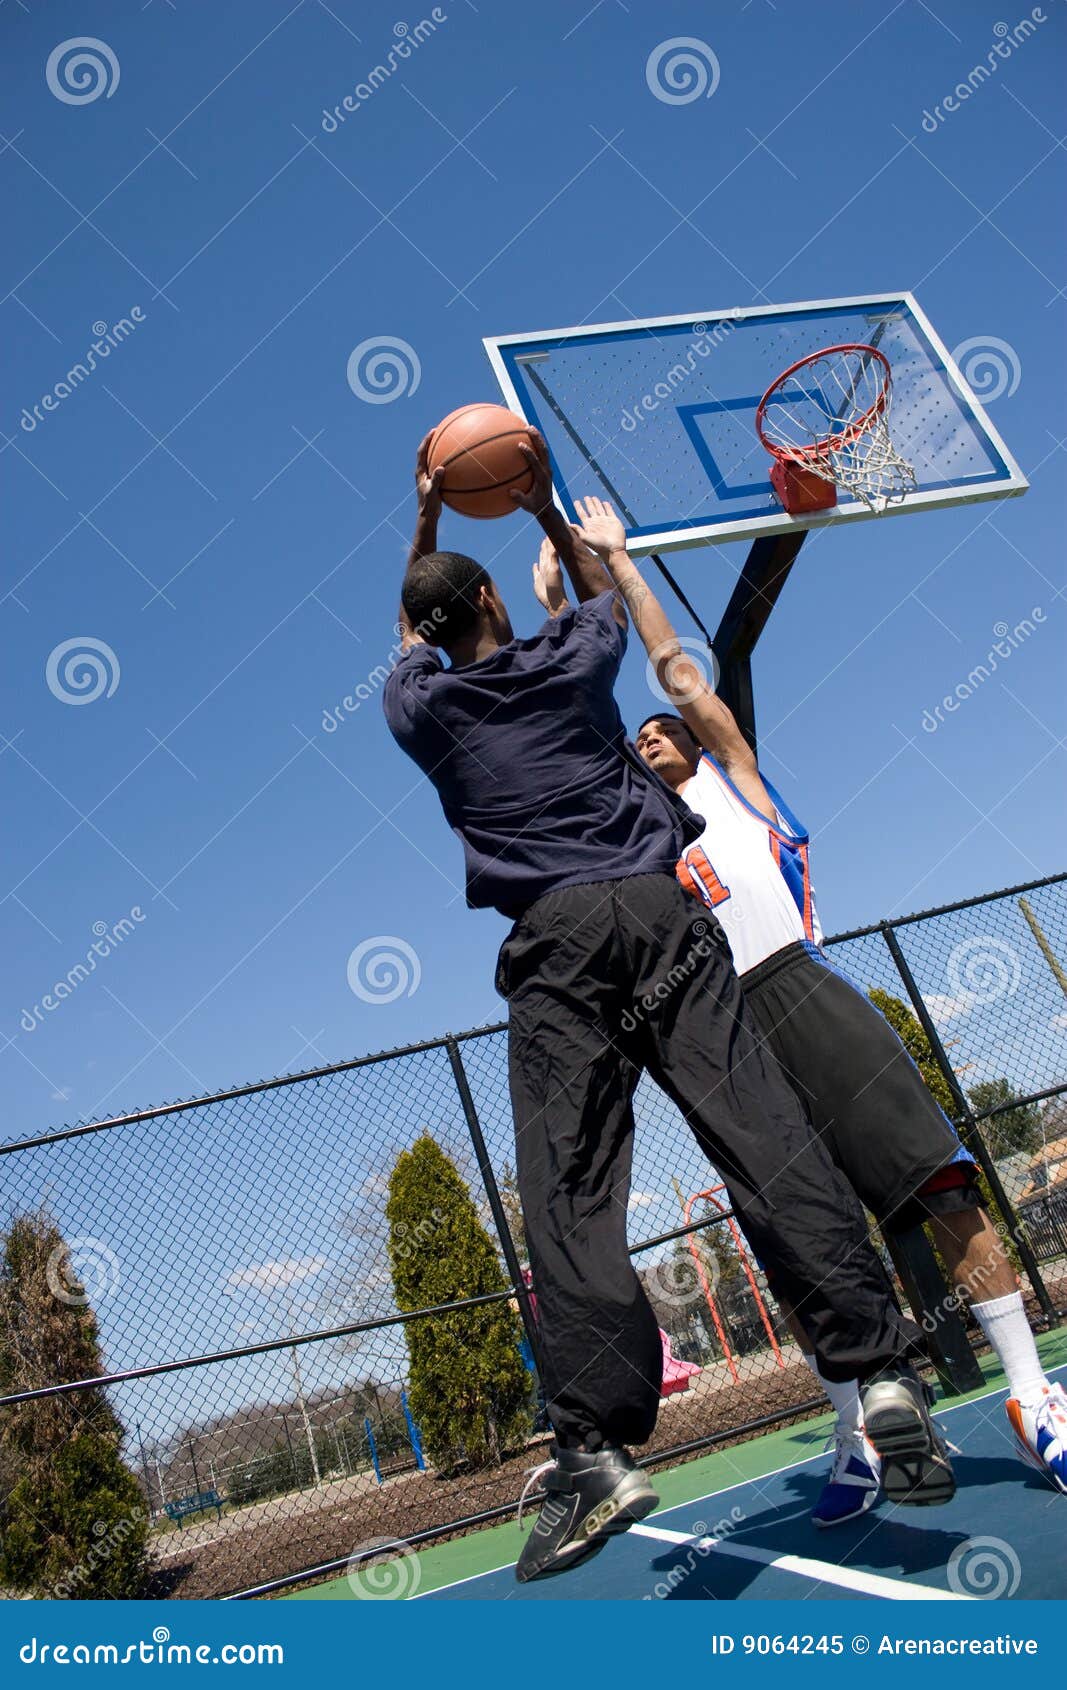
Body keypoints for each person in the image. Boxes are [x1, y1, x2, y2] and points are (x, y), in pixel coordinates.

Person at [383, 435, 953, 1586]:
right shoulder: (573, 658)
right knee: (760, 1126)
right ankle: (881, 1361)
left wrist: (426, 522)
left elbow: (407, 636)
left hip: (553, 947)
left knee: (569, 1190)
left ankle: (593, 1446)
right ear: (496, 599)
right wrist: (549, 512)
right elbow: (600, 594)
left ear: (433, 634)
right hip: (658, 914)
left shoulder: (421, 711)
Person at [531, 497, 1066, 1523]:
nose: (647, 736)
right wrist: (556, 610)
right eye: (634, 739)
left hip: (798, 987)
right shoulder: (637, 837)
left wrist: (618, 568)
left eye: (661, 729)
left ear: (698, 739)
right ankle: (851, 1427)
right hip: (716, 1029)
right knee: (792, 1240)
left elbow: (675, 672)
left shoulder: (737, 782)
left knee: (936, 1187)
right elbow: (574, 713)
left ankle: (1029, 1390)